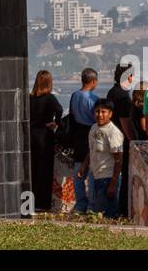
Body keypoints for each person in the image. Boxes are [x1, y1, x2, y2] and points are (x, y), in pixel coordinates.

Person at [77, 100, 123, 218]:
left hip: (108, 178)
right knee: (96, 212)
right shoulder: (94, 128)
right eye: (97, 111)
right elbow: (91, 150)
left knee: (106, 215)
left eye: (104, 112)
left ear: (110, 114)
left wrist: (113, 184)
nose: (100, 115)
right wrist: (83, 167)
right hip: (95, 176)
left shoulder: (113, 132)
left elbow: (118, 159)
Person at [28, 70, 64, 213]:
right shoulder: (50, 98)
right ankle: (42, 203)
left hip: (31, 135)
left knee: (32, 169)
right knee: (44, 170)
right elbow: (60, 110)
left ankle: (31, 201)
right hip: (44, 135)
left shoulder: (29, 98)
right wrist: (56, 123)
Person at [68, 68, 100, 214]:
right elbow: (98, 120)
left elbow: (72, 115)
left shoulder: (75, 96)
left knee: (78, 171)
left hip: (78, 135)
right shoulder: (93, 100)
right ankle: (92, 205)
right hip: (91, 133)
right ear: (93, 81)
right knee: (93, 171)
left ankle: (80, 204)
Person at [107, 62, 137, 217]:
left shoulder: (112, 92)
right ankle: (123, 209)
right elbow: (125, 121)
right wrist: (133, 140)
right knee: (124, 175)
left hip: (110, 137)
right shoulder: (123, 96)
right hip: (121, 140)